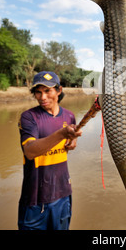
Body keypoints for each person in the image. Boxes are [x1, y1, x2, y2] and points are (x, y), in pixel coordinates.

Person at [17, 71, 82, 230]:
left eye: (48, 91)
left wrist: (73, 140)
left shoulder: (69, 116)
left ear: (59, 91)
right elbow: (30, 151)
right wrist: (62, 133)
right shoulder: (29, 117)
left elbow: (70, 140)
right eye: (38, 92)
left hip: (62, 194)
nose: (42, 97)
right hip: (35, 200)